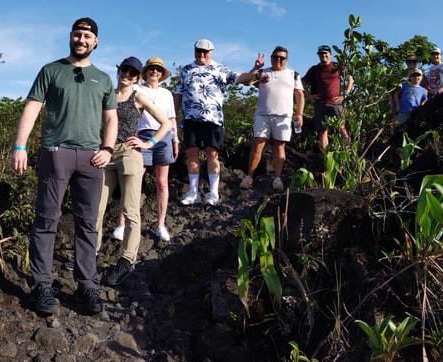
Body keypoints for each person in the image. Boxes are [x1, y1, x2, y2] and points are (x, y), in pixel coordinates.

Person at [11, 17, 116, 317]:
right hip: (56, 151)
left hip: (92, 157)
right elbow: (32, 107)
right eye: (77, 34)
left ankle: (87, 285)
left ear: (96, 42)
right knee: (47, 217)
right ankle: (42, 283)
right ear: (70, 37)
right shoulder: (51, 70)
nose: (81, 40)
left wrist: (108, 149)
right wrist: (21, 146)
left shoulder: (104, 79)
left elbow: (111, 119)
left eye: (87, 36)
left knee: (87, 222)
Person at [94, 57, 173, 287]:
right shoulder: (107, 93)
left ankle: (127, 259)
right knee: (96, 207)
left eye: (132, 72)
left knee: (130, 209)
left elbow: (165, 123)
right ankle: (90, 254)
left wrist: (148, 143)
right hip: (106, 152)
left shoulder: (138, 96)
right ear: (118, 70)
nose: (127, 75)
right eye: (124, 70)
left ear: (138, 77)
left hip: (129, 153)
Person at [111, 56, 178, 243]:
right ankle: (122, 224)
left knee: (162, 182)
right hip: (140, 135)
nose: (154, 72)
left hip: (164, 137)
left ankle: (161, 225)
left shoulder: (166, 94)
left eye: (158, 69)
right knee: (132, 181)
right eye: (151, 69)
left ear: (162, 74)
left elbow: (171, 119)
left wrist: (176, 139)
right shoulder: (136, 89)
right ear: (144, 72)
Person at [174, 39, 245, 206]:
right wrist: (173, 116)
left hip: (213, 119)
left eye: (205, 51)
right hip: (190, 119)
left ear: (211, 52)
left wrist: (256, 71)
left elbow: (240, 78)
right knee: (191, 154)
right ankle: (193, 192)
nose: (202, 54)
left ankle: (213, 193)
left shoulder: (220, 68)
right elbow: (178, 93)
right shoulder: (187, 70)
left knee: (212, 154)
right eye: (198, 51)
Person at [238, 46, 304, 192]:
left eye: (281, 58)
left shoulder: (293, 74)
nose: (278, 60)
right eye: (275, 57)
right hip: (263, 114)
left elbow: (299, 95)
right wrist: (255, 68)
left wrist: (299, 114)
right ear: (271, 57)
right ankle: (249, 177)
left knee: (279, 146)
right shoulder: (262, 72)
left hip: (283, 116)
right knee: (258, 144)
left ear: (286, 60)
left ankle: (277, 178)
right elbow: (246, 82)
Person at [303, 44, 353, 150]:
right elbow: (303, 82)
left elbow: (350, 79)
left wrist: (345, 95)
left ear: (330, 54)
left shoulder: (337, 66)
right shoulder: (314, 69)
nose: (323, 55)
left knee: (341, 127)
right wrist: (309, 95)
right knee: (322, 131)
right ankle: (326, 156)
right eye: (321, 53)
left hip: (335, 103)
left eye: (325, 53)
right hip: (320, 104)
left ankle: (349, 153)